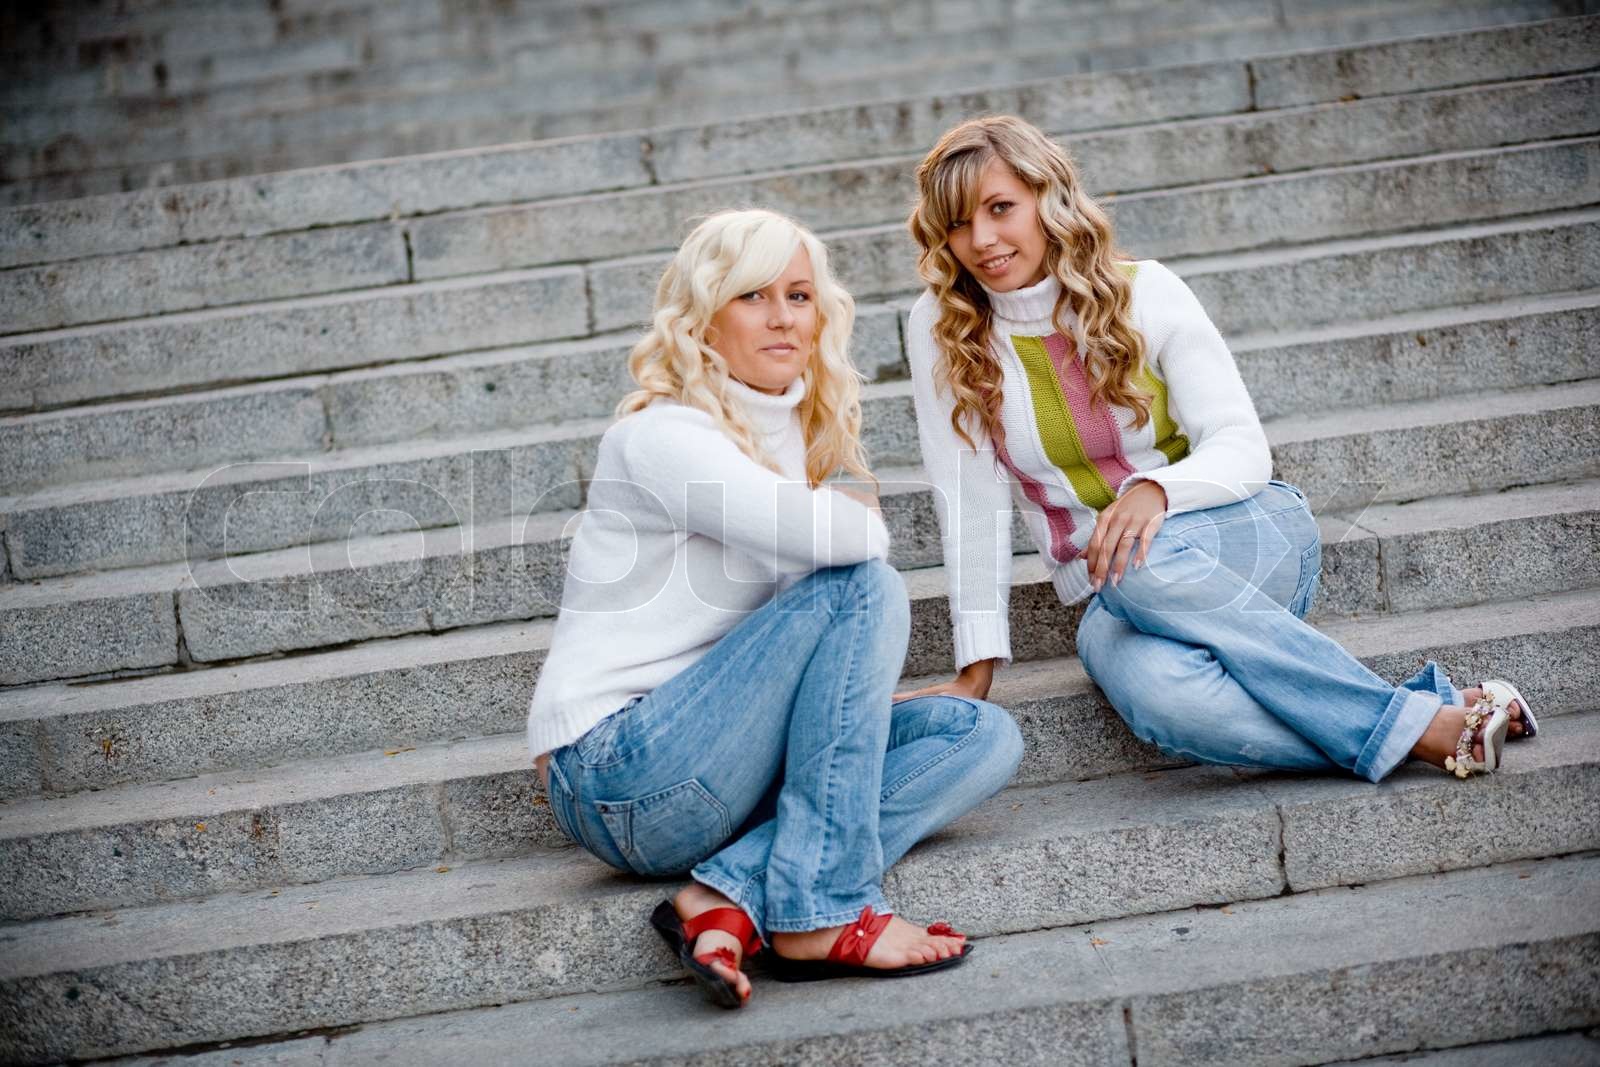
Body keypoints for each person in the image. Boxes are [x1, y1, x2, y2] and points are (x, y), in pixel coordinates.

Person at [897, 115, 1533, 790]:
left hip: (1244, 534)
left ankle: (1410, 726)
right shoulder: (942, 331)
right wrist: (976, 667)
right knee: (1163, 699)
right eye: (960, 223)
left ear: (1046, 196)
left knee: (1135, 561)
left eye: (1001, 208)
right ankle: (1423, 723)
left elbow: (1241, 447)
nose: (983, 240)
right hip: (1110, 593)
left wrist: (1158, 492)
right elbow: (968, 502)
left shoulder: (1144, 291)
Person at [527, 208, 1024, 1008]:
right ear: (703, 316)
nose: (784, 316)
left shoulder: (793, 431)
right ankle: (821, 906)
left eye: (799, 295)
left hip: (722, 761)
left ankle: (724, 894)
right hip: (620, 771)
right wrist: (847, 496)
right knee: (863, 586)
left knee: (980, 735)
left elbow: (809, 608)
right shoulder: (661, 437)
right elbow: (854, 546)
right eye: (753, 295)